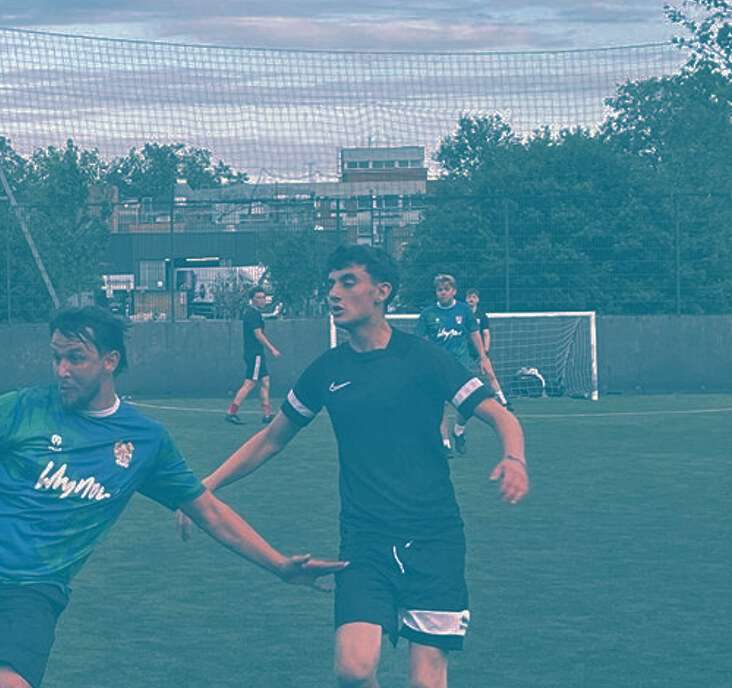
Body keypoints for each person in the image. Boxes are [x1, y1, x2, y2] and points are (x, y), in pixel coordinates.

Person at [0, 306, 345, 688]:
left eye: (76, 358)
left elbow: (207, 510)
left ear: (109, 360)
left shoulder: (145, 443)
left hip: (27, 594)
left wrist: (278, 565)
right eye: (57, 357)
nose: (62, 370)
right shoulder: (26, 406)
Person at [179, 246, 528, 688]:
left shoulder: (423, 357)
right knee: (352, 669)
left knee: (426, 681)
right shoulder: (327, 370)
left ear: (382, 292)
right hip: (365, 541)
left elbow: (501, 416)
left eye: (347, 282)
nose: (334, 293)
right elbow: (271, 438)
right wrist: (205, 487)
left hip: (434, 536)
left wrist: (513, 458)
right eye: (330, 284)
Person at [417, 275, 497, 455]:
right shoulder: (427, 314)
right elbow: (420, 340)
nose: (442, 293)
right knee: (439, 405)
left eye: (446, 289)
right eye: (439, 290)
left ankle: (458, 432)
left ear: (453, 291)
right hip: (436, 367)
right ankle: (445, 443)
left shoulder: (464, 310)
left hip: (461, 365)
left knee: (467, 404)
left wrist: (483, 357)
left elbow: (474, 334)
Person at [225, 287, 282, 425]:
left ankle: (267, 415)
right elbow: (258, 334)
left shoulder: (255, 313)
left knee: (265, 381)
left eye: (264, 297)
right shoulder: (252, 314)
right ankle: (231, 412)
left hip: (257, 354)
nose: (263, 300)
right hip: (255, 354)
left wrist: (275, 313)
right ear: (252, 299)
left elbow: (265, 319)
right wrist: (272, 349)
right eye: (259, 297)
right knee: (250, 383)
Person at [464, 289, 510, 409]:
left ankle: (503, 401)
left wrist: (484, 351)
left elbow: (486, 334)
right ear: (465, 299)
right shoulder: (462, 314)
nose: (471, 299)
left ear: (477, 300)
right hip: (464, 351)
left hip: (478, 351)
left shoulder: (482, 315)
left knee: (490, 374)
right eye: (469, 297)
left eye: (473, 297)